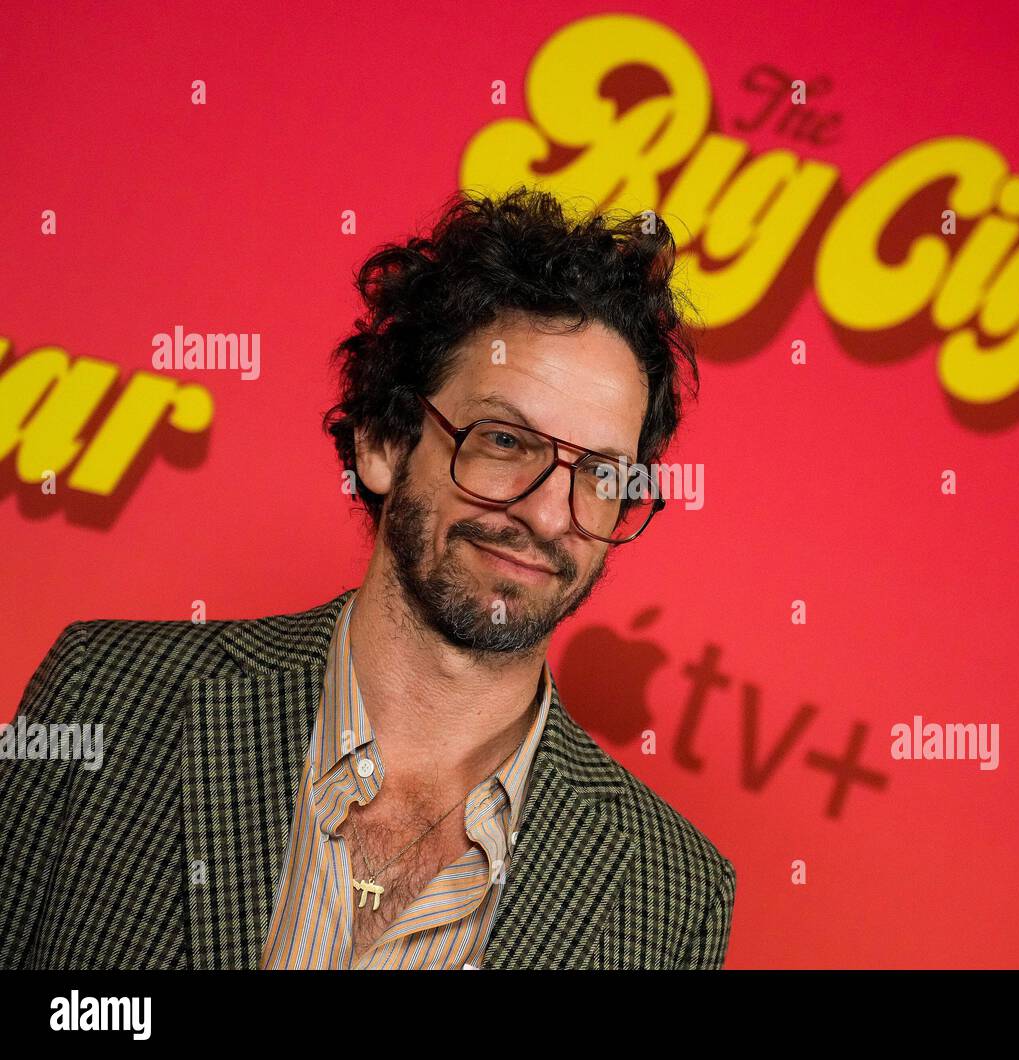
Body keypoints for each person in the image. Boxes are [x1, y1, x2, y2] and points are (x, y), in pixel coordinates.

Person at [0, 187, 735, 970]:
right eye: (505, 441)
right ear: (384, 441)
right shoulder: (106, 700)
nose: (552, 517)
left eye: (599, 474)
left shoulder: (674, 893)